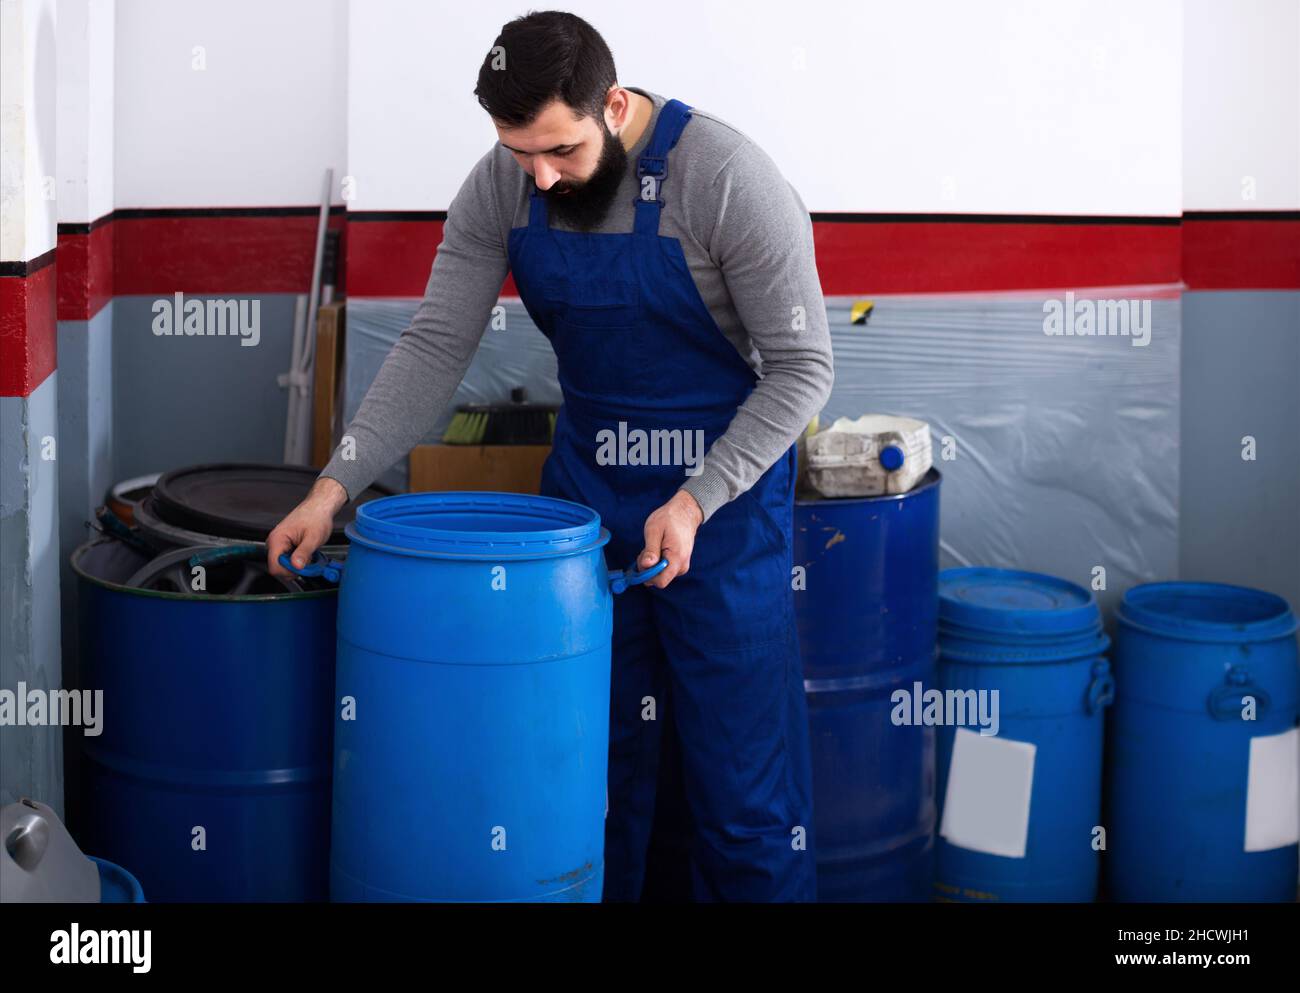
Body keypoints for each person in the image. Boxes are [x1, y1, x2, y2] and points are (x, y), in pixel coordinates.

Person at [268, 10, 832, 902]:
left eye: (560, 151)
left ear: (612, 104)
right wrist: (334, 483)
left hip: (722, 519)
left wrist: (695, 499)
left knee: (743, 791)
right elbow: (434, 344)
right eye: (516, 149)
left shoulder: (727, 178)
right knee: (592, 778)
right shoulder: (504, 181)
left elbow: (804, 369)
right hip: (585, 513)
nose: (538, 175)